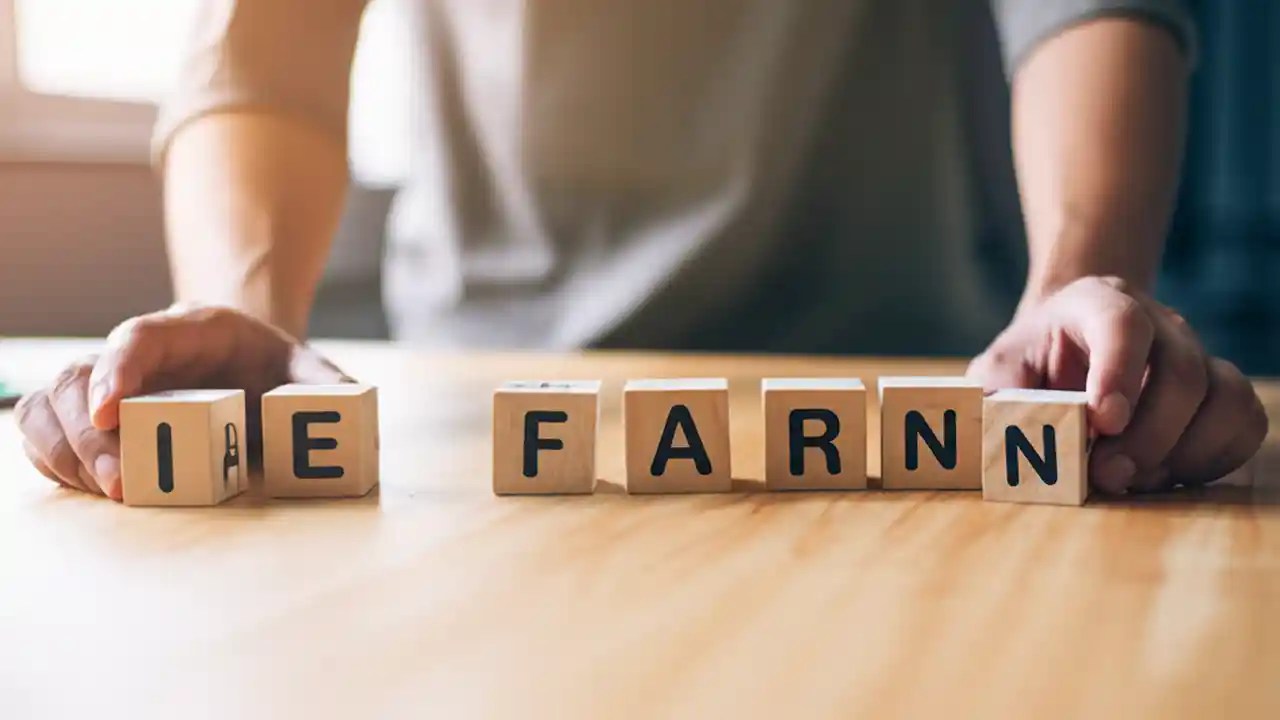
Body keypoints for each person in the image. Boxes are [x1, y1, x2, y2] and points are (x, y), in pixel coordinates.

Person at [14, 0, 1268, 500]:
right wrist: (241, 308)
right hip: (474, 423)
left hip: (910, 403)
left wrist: (1076, 282)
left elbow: (1078, 5)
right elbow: (265, 41)